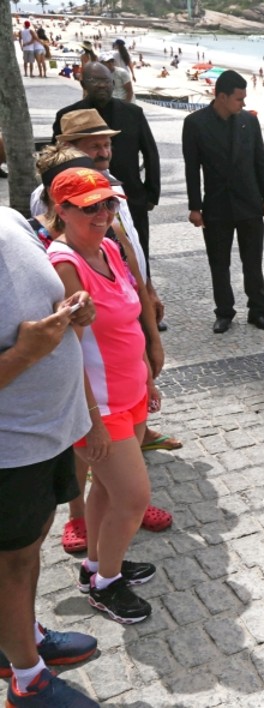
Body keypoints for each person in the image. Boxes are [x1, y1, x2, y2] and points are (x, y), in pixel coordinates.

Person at [47, 168, 158, 624]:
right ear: (62, 210)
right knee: (133, 498)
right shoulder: (63, 264)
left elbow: (129, 318)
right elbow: (70, 348)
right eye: (89, 206)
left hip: (128, 390)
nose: (103, 213)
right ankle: (106, 585)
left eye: (109, 203)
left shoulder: (109, 246)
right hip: (101, 403)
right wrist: (89, 417)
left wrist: (148, 372)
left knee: (108, 492)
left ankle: (96, 565)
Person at [0, 207, 100, 707]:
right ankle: (27, 680)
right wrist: (23, 355)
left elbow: (48, 300)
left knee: (30, 547)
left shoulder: (9, 220)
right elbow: (24, 345)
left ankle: (19, 637)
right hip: (8, 447)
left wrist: (73, 305)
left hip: (45, 433)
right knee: (11, 563)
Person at [182, 70, 264, 334]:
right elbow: (192, 168)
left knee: (253, 262)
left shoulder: (249, 121)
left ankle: (259, 311)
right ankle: (224, 312)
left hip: (250, 204)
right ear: (221, 96)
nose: (243, 104)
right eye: (238, 99)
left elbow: (261, 161)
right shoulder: (195, 124)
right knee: (219, 263)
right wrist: (194, 207)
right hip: (216, 205)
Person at [53, 62, 162, 288]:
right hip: (85, 200)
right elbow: (57, 159)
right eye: (96, 81)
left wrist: (152, 193)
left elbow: (151, 153)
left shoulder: (133, 112)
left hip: (131, 194)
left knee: (138, 246)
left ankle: (146, 296)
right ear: (83, 83)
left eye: (107, 81)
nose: (102, 86)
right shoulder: (67, 116)